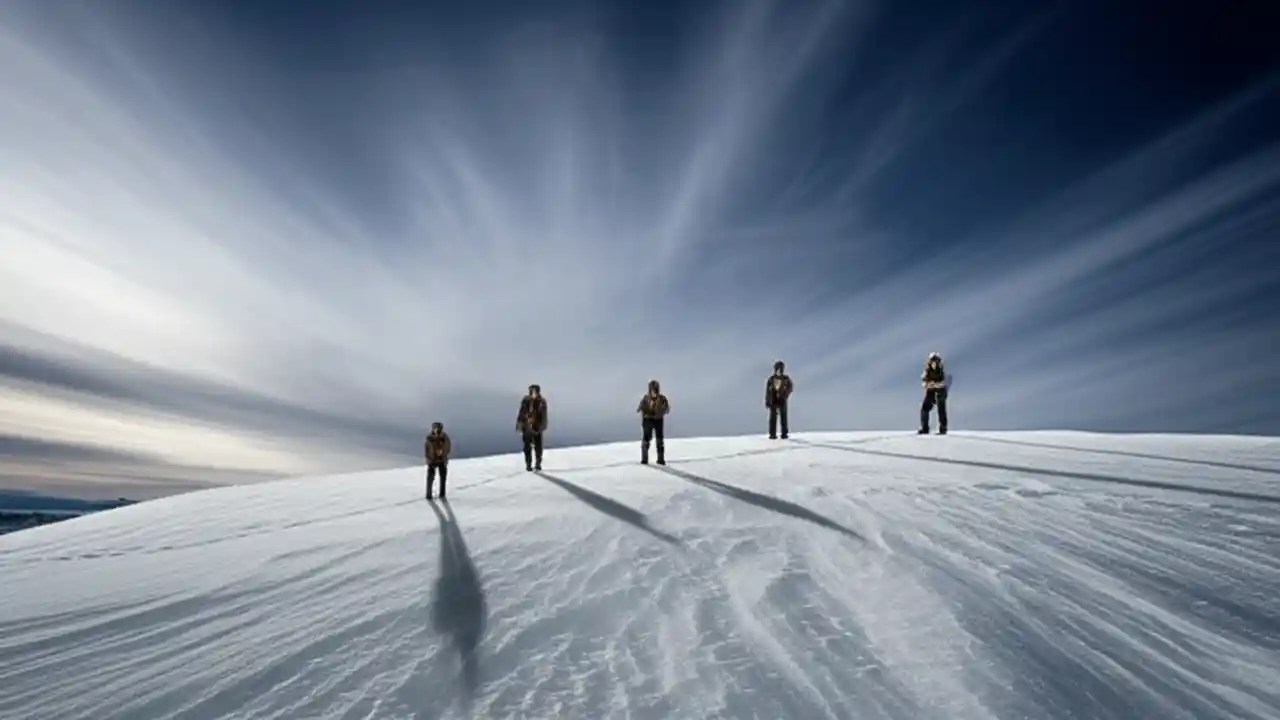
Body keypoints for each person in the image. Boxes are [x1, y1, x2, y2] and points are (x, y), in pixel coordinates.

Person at [636, 379, 670, 465]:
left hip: (658, 420)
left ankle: (660, 459)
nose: (654, 391)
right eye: (652, 389)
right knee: (646, 439)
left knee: (659, 440)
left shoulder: (662, 398)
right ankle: (644, 459)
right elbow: (639, 408)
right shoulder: (646, 398)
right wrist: (646, 412)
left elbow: (667, 409)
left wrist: (660, 411)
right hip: (648, 420)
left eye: (655, 389)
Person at [516, 384, 548, 471]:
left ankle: (537, 464)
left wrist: (542, 427)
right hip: (527, 427)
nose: (534, 393)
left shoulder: (541, 401)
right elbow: (521, 413)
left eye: (535, 390)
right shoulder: (526, 400)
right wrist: (519, 425)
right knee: (527, 447)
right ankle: (529, 465)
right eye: (532, 390)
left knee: (538, 447)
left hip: (537, 427)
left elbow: (544, 415)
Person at [919, 352, 948, 435]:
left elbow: (945, 381)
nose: (934, 363)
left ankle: (943, 428)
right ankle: (925, 428)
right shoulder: (927, 371)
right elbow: (923, 381)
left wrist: (935, 384)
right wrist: (928, 384)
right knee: (925, 408)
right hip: (931, 391)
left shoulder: (941, 370)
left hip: (940, 391)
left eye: (936, 360)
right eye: (932, 360)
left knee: (941, 408)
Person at [764, 360, 794, 439]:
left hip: (782, 399)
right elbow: (767, 391)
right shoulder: (771, 379)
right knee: (772, 418)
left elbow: (790, 387)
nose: (779, 370)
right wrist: (767, 401)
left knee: (784, 417)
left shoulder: (786, 378)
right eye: (777, 368)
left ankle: (784, 434)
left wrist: (785, 394)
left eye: (781, 369)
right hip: (773, 400)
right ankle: (772, 434)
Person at [424, 421, 452, 499]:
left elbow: (448, 447)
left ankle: (442, 494)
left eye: (438, 427)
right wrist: (428, 458)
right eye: (435, 427)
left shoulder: (444, 438)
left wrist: (444, 455)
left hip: (442, 460)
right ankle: (429, 495)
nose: (437, 429)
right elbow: (426, 449)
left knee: (443, 478)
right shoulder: (429, 438)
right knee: (430, 479)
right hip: (432, 460)